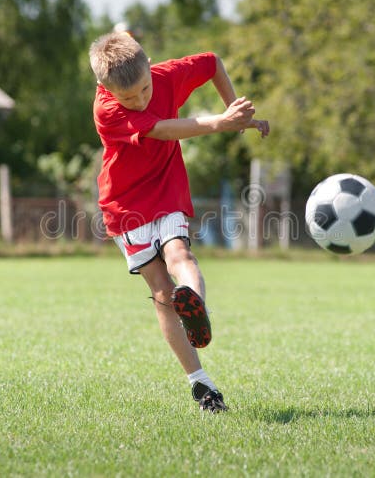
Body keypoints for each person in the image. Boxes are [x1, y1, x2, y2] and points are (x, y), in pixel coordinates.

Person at [88, 31, 269, 413]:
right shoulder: (107, 109)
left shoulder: (166, 75)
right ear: (106, 89)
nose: (140, 100)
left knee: (180, 255)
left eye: (145, 89)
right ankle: (201, 384)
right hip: (125, 206)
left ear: (150, 67)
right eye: (129, 98)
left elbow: (212, 63)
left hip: (167, 192)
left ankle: (194, 303)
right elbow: (163, 129)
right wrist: (222, 122)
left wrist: (234, 111)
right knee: (160, 293)